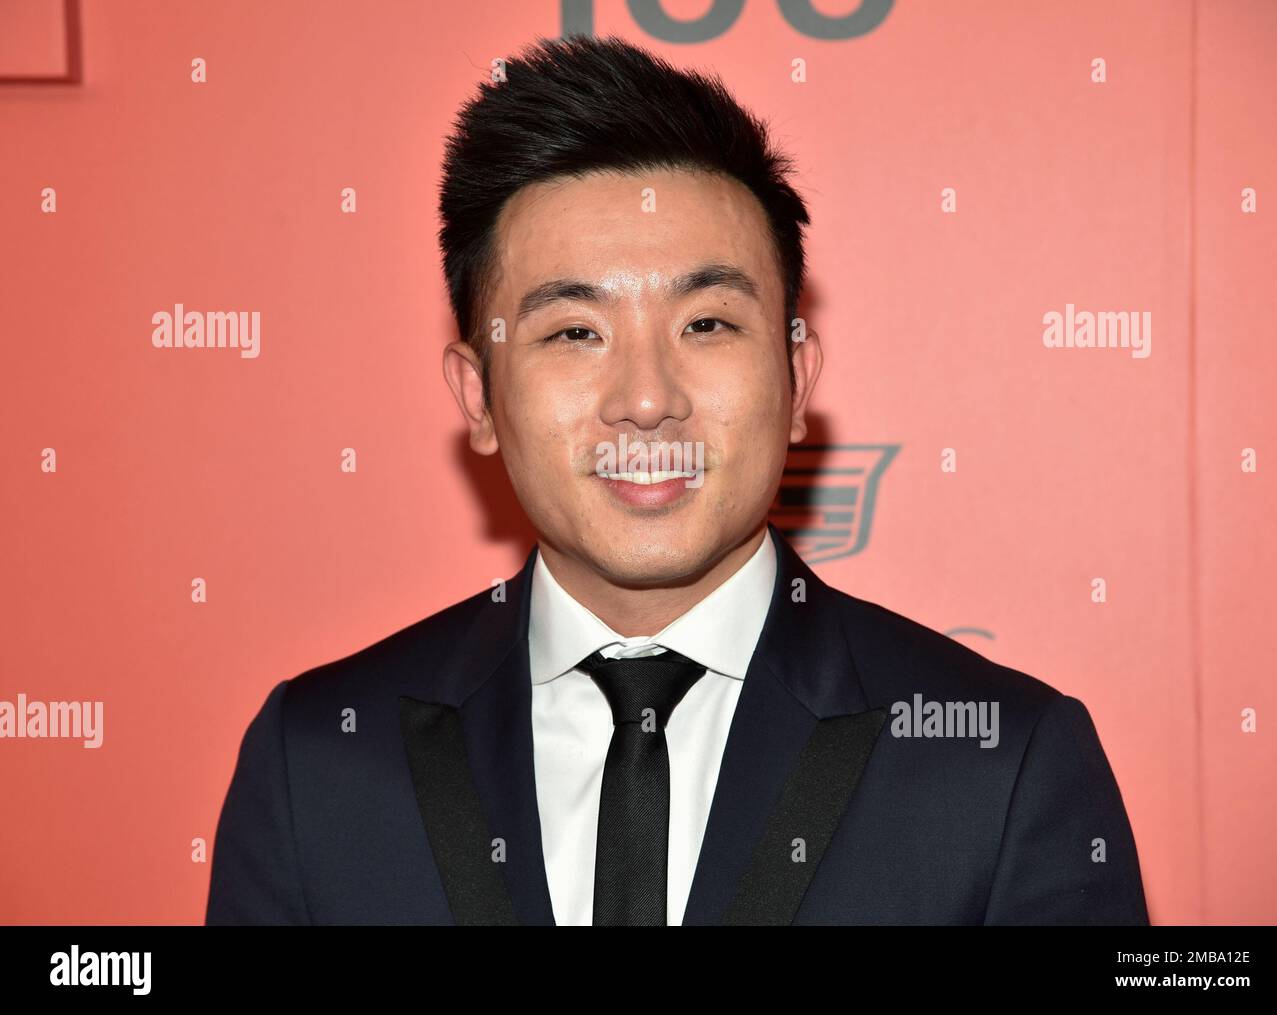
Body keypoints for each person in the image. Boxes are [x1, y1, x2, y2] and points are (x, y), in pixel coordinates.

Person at [205, 33, 1149, 926]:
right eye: (574, 332)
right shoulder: (320, 760)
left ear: (797, 381)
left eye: (707, 324)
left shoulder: (1002, 765)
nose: (647, 400)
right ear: (479, 396)